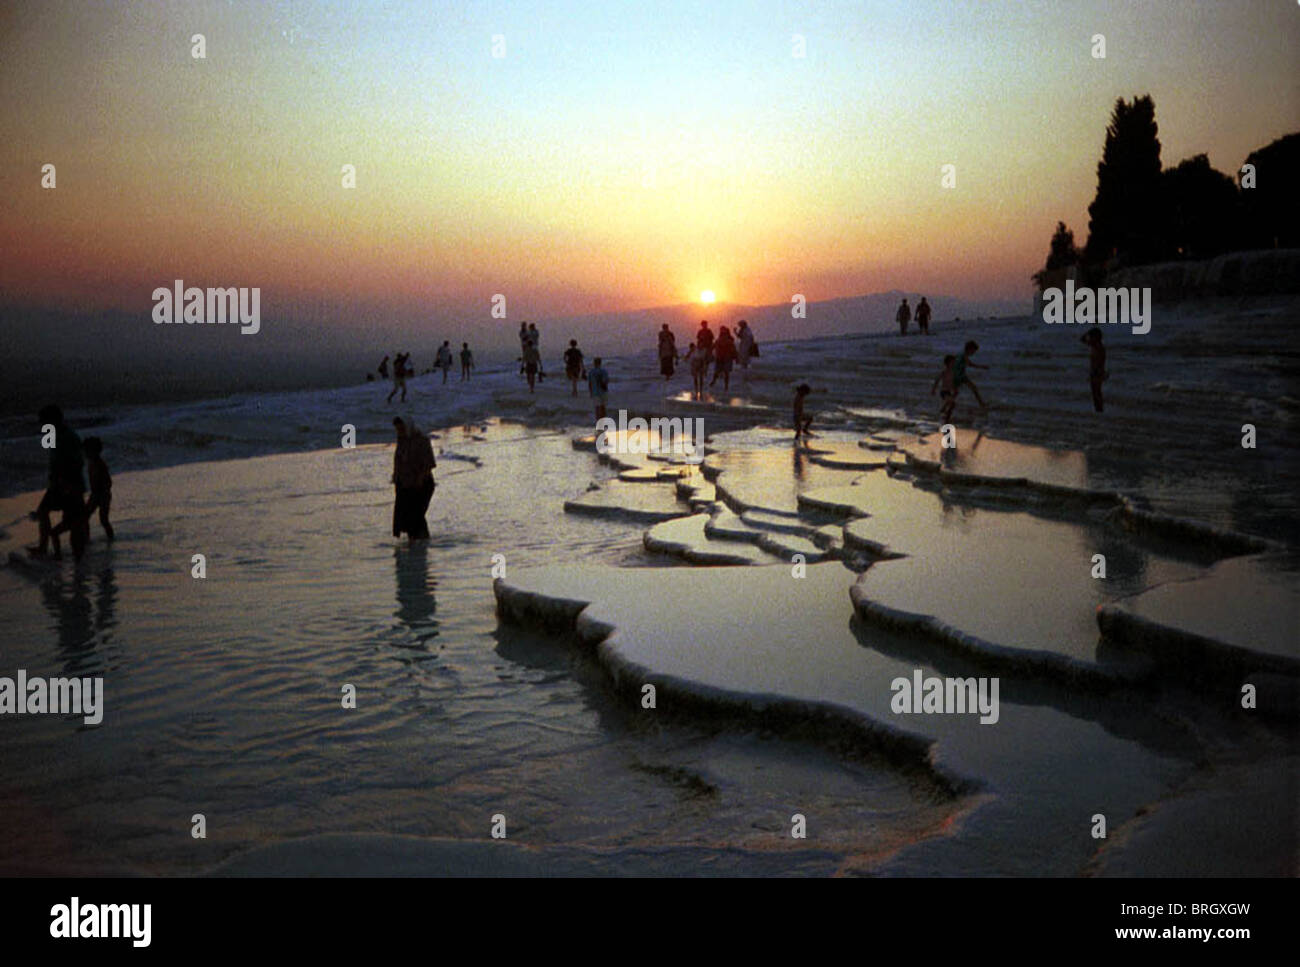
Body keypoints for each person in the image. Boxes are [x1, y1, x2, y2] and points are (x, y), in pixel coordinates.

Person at [27, 404, 89, 561]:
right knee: (45, 512)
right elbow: (53, 458)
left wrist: (66, 483)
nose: (41, 424)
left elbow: (77, 463)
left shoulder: (69, 437)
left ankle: (78, 560)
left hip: (69, 484)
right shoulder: (53, 434)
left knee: (73, 521)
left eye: (43, 421)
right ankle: (45, 548)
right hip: (59, 484)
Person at [391, 417, 436, 541]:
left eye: (401, 428)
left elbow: (429, 464)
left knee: (417, 516)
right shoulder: (402, 441)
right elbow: (398, 461)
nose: (399, 431)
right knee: (407, 517)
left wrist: (419, 480)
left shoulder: (422, 440)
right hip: (405, 484)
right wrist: (396, 478)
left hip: (422, 484)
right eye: (397, 429)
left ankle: (421, 545)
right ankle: (415, 542)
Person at [953, 340, 988, 408]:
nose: (973, 353)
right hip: (961, 376)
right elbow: (970, 364)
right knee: (974, 388)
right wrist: (982, 367)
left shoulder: (959, 354)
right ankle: (981, 404)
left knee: (955, 393)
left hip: (956, 375)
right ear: (970, 349)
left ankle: (944, 407)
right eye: (973, 351)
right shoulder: (964, 356)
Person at [1081, 328, 1108, 412]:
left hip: (1097, 373)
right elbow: (1082, 339)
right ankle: (1099, 409)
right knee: (1096, 394)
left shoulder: (1098, 347)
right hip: (1096, 372)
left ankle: (1099, 410)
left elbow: (1099, 362)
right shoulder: (1095, 346)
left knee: (1097, 394)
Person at [930, 355, 957, 424]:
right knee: (951, 402)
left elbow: (953, 382)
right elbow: (937, 380)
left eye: (954, 362)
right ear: (948, 363)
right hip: (944, 391)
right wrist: (933, 389)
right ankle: (943, 412)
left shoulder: (953, 372)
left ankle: (946, 417)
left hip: (949, 391)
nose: (954, 364)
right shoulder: (944, 372)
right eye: (952, 362)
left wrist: (954, 389)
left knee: (952, 405)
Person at [710, 325, 738, 391]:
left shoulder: (729, 340)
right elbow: (713, 346)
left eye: (723, 330)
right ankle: (714, 382)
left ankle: (726, 387)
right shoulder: (719, 339)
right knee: (717, 372)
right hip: (719, 357)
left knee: (726, 373)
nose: (722, 331)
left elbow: (733, 349)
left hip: (727, 358)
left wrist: (736, 357)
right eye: (721, 330)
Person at [587, 357, 610, 421]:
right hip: (603, 391)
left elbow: (590, 383)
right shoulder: (604, 371)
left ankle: (598, 421)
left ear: (594, 363)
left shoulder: (591, 372)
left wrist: (590, 392)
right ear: (600, 363)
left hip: (595, 392)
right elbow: (606, 381)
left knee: (597, 408)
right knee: (603, 407)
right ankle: (604, 421)